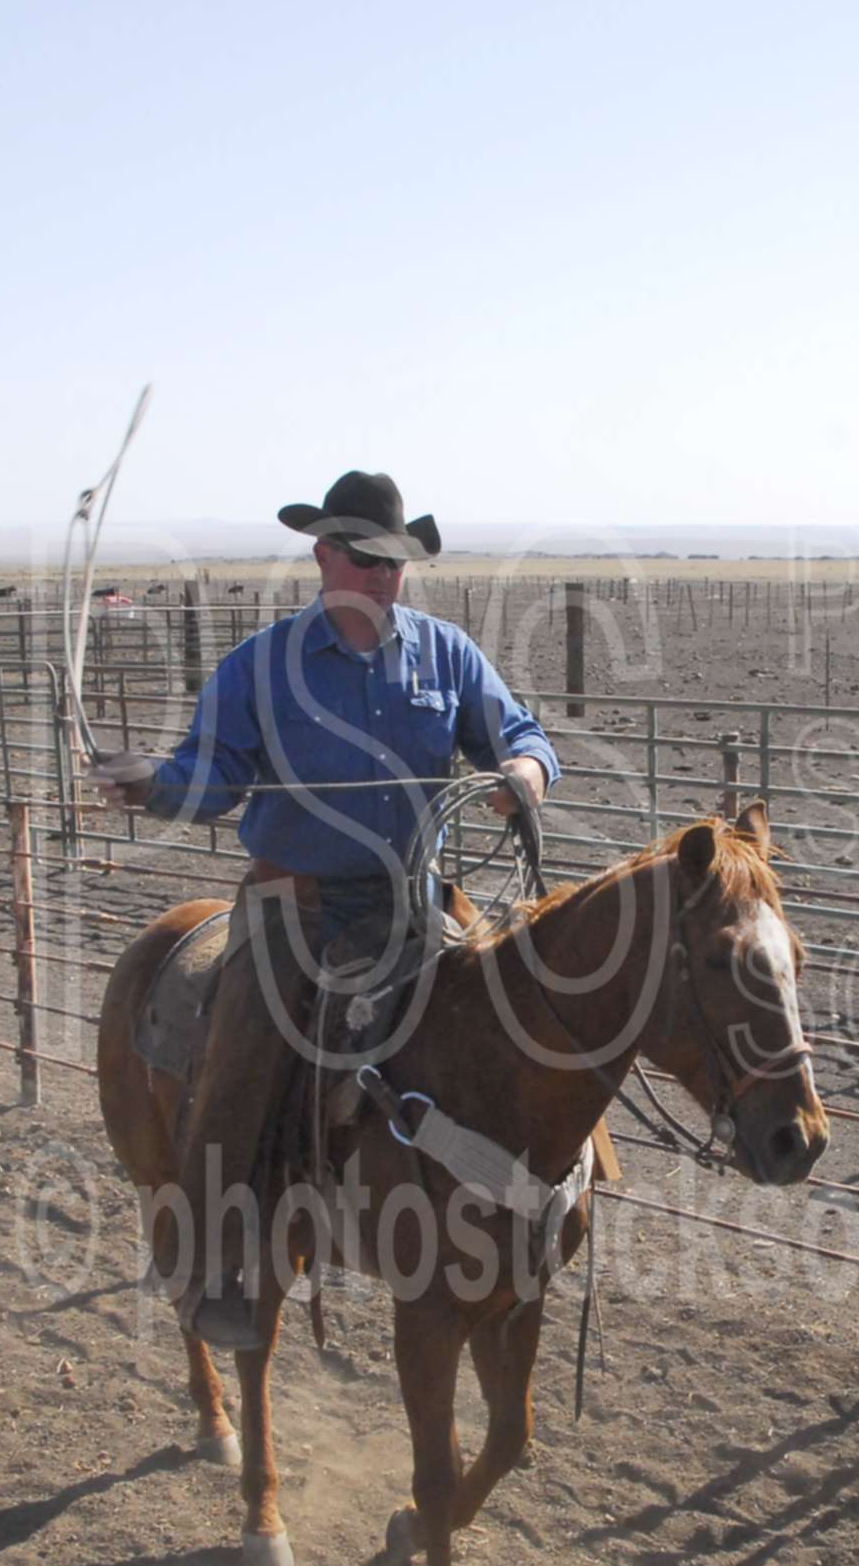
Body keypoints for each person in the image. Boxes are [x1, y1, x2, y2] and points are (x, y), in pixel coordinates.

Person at [91, 470, 559, 1350]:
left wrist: (523, 776)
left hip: (413, 903)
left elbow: (521, 734)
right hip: (294, 908)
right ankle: (218, 1264)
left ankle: (535, 1206)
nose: (388, 577)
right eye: (371, 560)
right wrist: (151, 785)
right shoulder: (261, 667)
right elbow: (211, 778)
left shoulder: (446, 655)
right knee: (246, 1058)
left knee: (514, 1019)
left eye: (399, 563)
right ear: (326, 556)